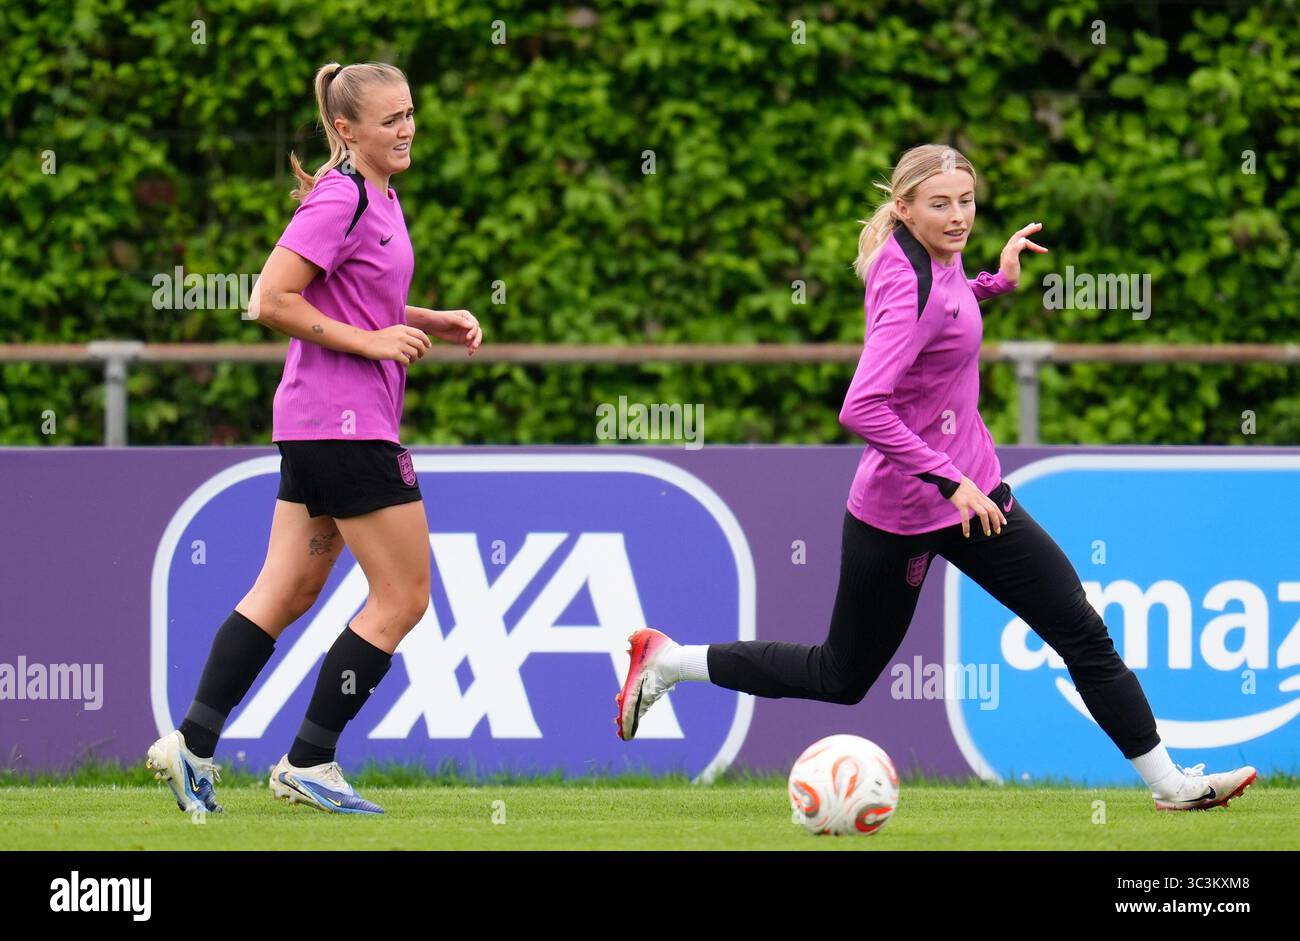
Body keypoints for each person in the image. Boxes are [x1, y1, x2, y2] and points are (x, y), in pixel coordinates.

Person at [615, 143, 1256, 812]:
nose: (958, 218)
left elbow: (946, 318)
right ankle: (669, 662)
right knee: (842, 675)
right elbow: (861, 405)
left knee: (1080, 629)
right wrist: (949, 480)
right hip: (903, 510)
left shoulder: (938, 263)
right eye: (940, 204)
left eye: (966, 202)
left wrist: (994, 282)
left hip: (974, 494)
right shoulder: (905, 282)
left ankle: (1171, 785)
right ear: (904, 208)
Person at [147, 61, 482, 815]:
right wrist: (371, 345)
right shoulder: (341, 194)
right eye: (389, 119)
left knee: (286, 589)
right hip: (346, 427)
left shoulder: (377, 195)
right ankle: (311, 760)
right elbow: (270, 298)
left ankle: (192, 747)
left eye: (410, 113)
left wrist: (428, 318)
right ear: (345, 129)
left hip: (318, 425)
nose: (406, 129)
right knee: (403, 598)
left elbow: (358, 290)